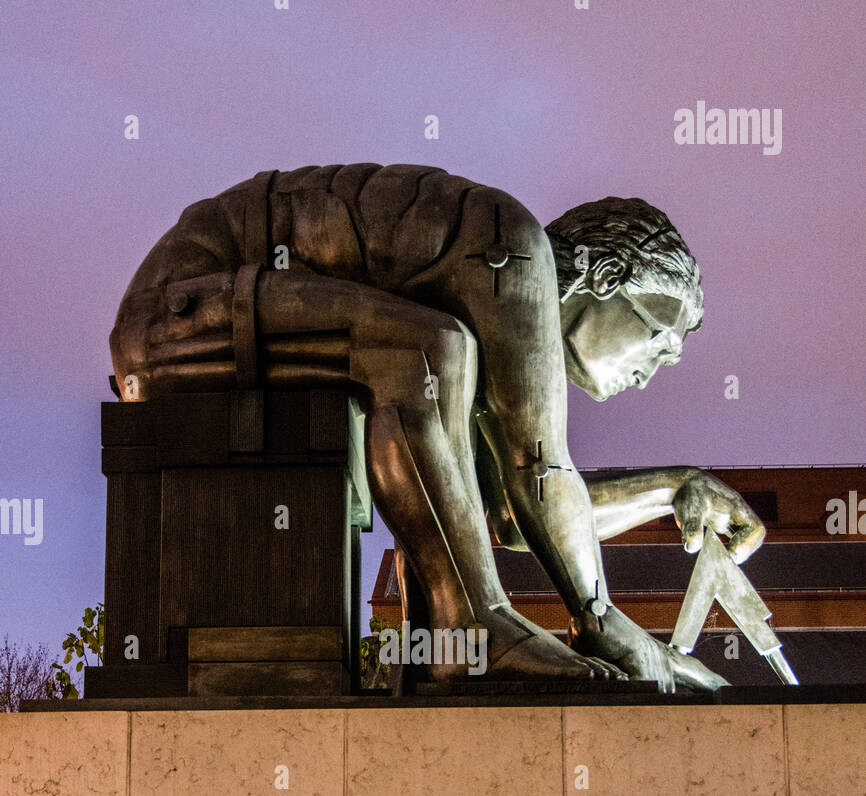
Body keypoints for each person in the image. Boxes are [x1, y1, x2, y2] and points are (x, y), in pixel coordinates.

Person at [110, 164, 765, 689]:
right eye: (656, 340)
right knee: (429, 350)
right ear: (608, 275)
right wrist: (601, 621)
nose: (649, 372)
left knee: (438, 353)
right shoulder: (516, 246)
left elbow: (509, 514)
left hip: (220, 314)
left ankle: (453, 640)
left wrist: (673, 489)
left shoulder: (487, 314)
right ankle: (470, 634)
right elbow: (540, 467)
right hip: (182, 309)